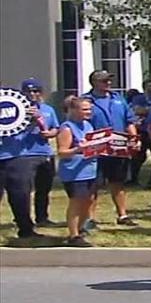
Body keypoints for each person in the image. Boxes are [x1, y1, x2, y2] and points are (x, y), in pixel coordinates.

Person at [0, 79, 59, 239]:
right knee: (20, 192)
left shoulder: (47, 110)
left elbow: (55, 128)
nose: (33, 94)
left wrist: (46, 128)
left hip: (41, 152)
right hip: (16, 155)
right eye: (29, 91)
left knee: (40, 189)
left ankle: (39, 219)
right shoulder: (11, 106)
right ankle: (24, 226)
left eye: (36, 91)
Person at [85, 69, 140, 227]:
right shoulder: (87, 100)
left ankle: (122, 215)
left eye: (109, 80)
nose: (108, 83)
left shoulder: (118, 99)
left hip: (118, 146)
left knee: (118, 181)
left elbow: (129, 120)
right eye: (104, 81)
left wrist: (134, 138)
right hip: (97, 148)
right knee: (94, 183)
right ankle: (90, 218)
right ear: (95, 82)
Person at [55, 96, 99, 246]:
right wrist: (78, 149)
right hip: (74, 172)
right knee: (77, 202)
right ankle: (73, 235)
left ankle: (81, 229)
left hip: (90, 169)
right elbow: (62, 152)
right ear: (73, 110)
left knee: (89, 201)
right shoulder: (67, 128)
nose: (89, 112)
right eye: (85, 109)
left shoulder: (88, 125)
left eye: (90, 109)